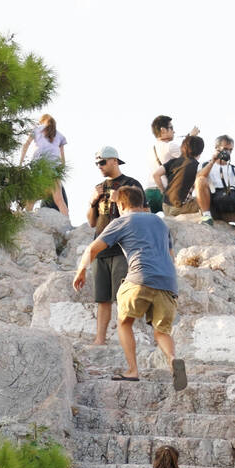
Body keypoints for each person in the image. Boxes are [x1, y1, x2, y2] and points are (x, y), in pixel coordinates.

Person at [73, 184, 187, 390]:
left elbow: (94, 248)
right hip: (168, 282)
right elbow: (171, 256)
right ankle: (172, 360)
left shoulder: (122, 221)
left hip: (139, 278)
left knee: (125, 322)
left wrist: (81, 270)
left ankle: (132, 370)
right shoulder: (160, 223)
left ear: (122, 204)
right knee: (162, 331)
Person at [86, 147, 147, 347]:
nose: (99, 167)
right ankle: (100, 339)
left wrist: (119, 199)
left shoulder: (131, 184)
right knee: (102, 298)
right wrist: (93, 200)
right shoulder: (98, 187)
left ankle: (124, 340)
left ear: (114, 161)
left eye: (102, 162)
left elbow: (144, 213)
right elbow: (92, 222)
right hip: (102, 247)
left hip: (123, 248)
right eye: (97, 163)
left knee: (122, 297)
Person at [196, 136, 235, 243]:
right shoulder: (206, 164)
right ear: (217, 148)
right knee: (201, 180)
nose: (228, 152)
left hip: (231, 207)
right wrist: (213, 161)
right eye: (225, 149)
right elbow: (199, 179)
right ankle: (206, 216)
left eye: (230, 150)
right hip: (215, 205)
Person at [145, 115, 200, 213]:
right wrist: (191, 137)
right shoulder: (170, 146)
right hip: (162, 191)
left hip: (148, 191)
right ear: (163, 130)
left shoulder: (151, 148)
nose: (174, 131)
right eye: (171, 128)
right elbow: (187, 157)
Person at [19, 114, 69, 218]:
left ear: (42, 121)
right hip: (54, 168)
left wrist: (20, 163)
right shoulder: (59, 135)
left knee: (31, 198)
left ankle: (26, 221)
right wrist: (61, 171)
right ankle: (67, 224)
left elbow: (25, 145)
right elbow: (62, 157)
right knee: (59, 200)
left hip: (39, 166)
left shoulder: (37, 129)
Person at [156, 135, 205, 216]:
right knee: (207, 200)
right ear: (200, 151)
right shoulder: (197, 166)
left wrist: (163, 191)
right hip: (179, 208)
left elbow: (156, 175)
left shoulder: (174, 161)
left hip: (165, 206)